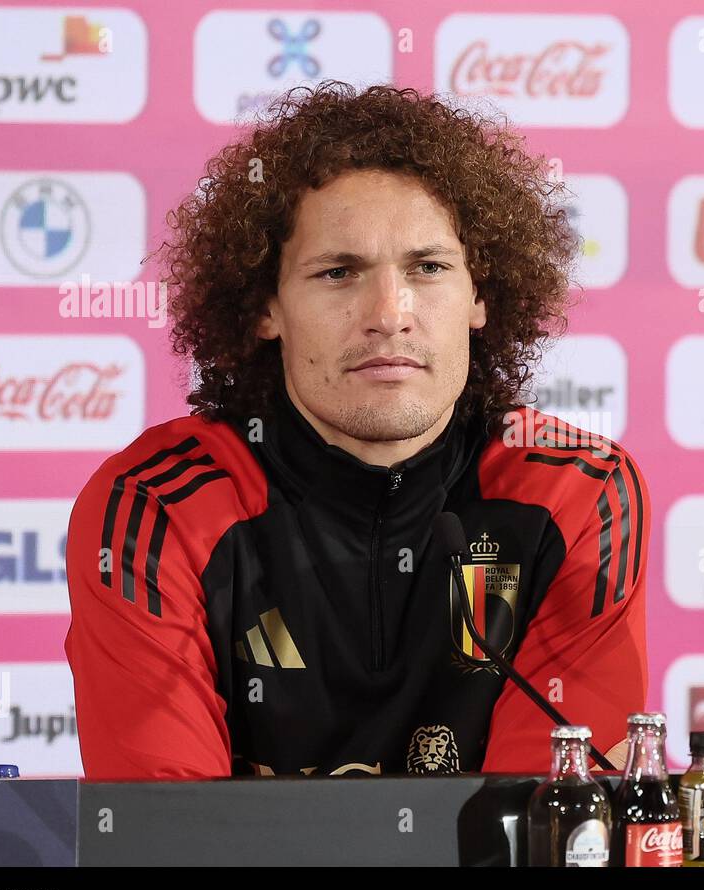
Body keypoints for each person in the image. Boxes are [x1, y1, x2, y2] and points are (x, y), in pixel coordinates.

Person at [63, 82, 650, 779]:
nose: (390, 313)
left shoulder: (575, 492)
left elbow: (550, 824)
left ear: (480, 297)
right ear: (265, 309)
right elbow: (172, 837)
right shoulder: (155, 506)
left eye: (428, 268)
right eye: (339, 272)